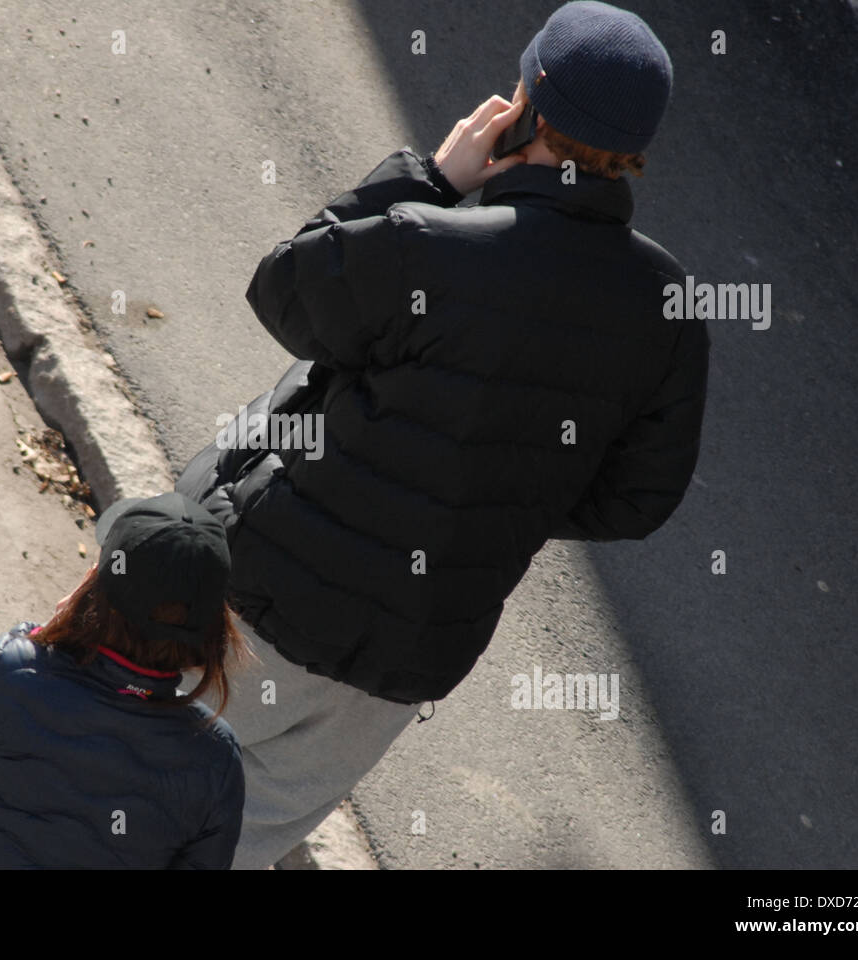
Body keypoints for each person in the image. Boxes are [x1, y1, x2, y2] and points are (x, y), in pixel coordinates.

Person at [176, 0, 709, 868]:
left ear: (528, 106)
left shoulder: (431, 242)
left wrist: (428, 178)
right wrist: (502, 482)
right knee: (228, 845)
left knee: (107, 790)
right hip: (403, 656)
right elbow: (637, 498)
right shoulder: (669, 308)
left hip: (259, 600)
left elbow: (284, 289)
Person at [0, 492, 249, 868]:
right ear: (213, 630)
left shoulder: (8, 671)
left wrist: (36, 639)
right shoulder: (216, 762)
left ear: (94, 589)